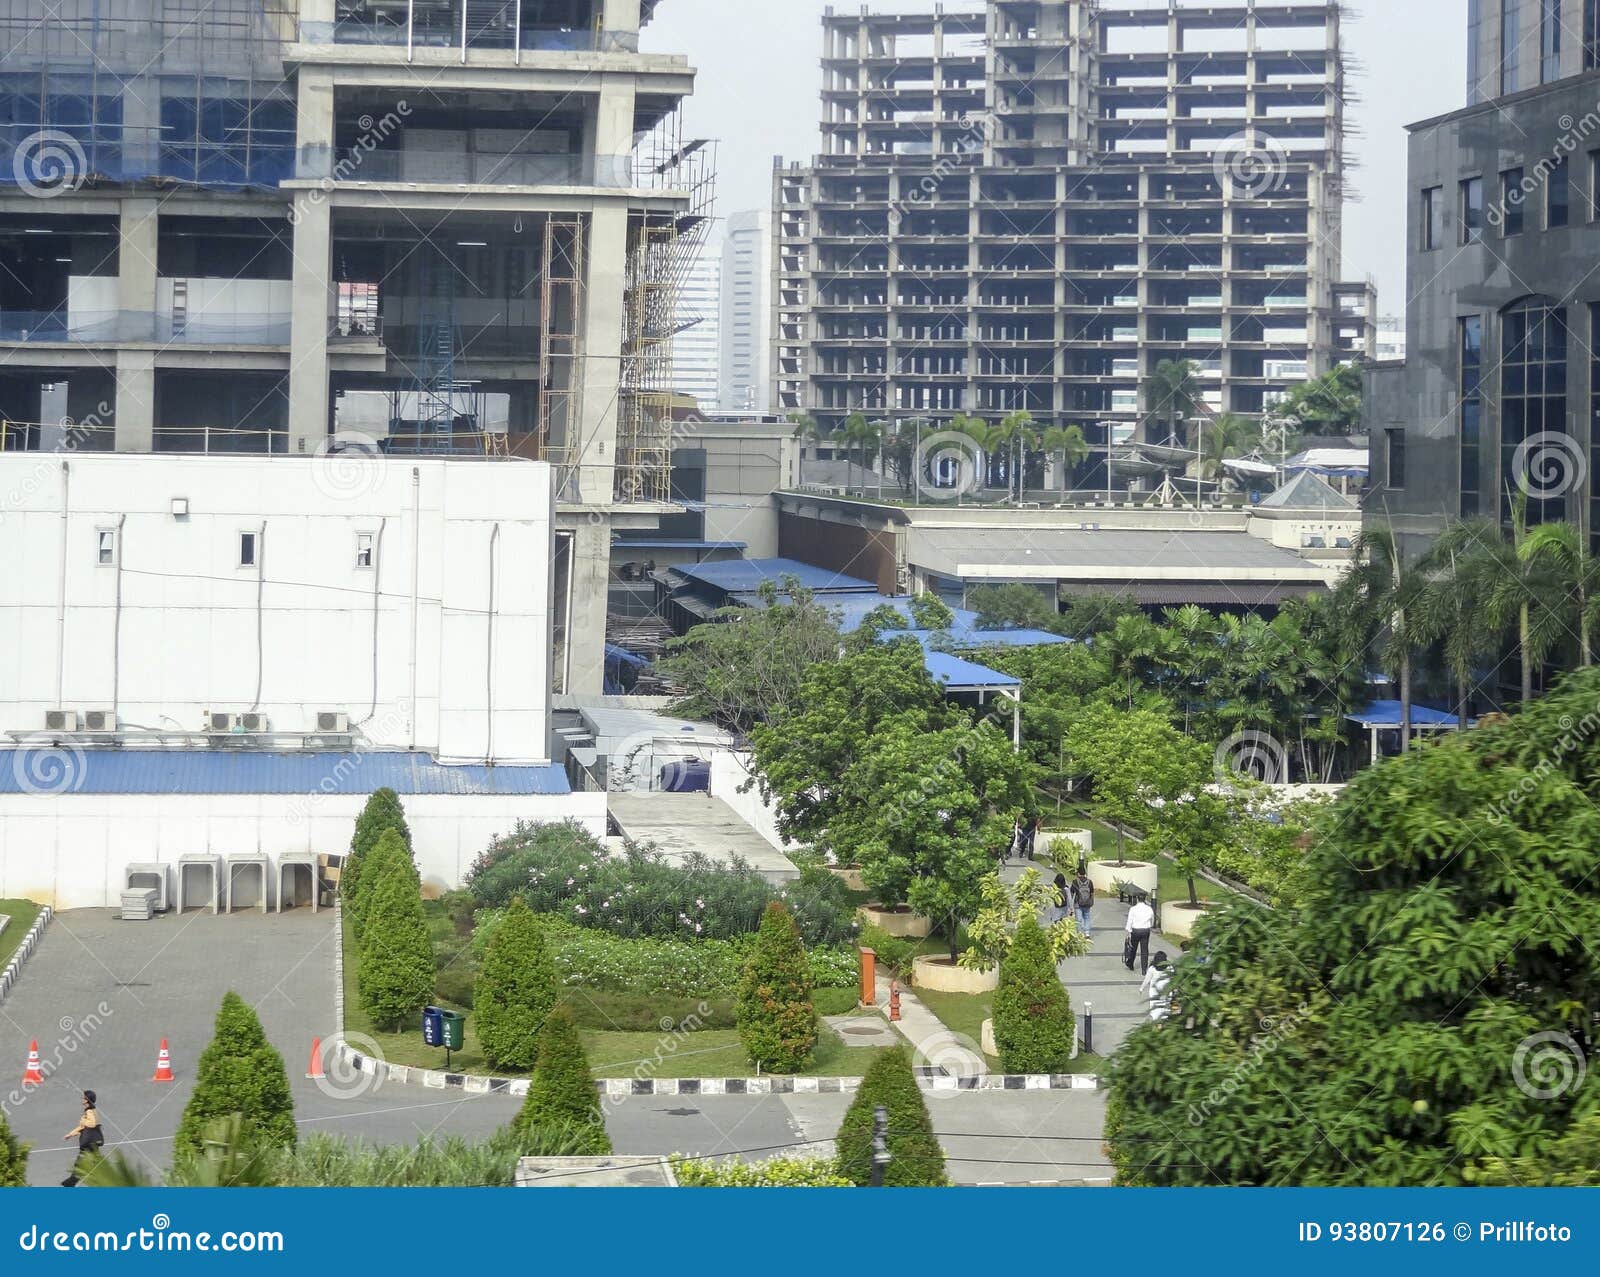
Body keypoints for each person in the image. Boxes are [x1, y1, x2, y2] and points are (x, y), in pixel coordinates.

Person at [60, 1090, 104, 1187]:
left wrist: (84, 1123)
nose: (82, 1099)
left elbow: (92, 1124)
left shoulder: (89, 1112)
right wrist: (70, 1134)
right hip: (92, 1143)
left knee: (82, 1164)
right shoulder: (91, 1110)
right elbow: (83, 1127)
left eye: (84, 1098)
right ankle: (71, 1182)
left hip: (89, 1144)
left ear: (87, 1100)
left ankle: (70, 1183)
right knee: (89, 1164)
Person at [1124, 893, 1155, 973]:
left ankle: (1130, 963)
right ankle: (1144, 969)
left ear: (1137, 899)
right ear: (1144, 899)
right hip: (1145, 930)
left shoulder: (1133, 909)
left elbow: (1130, 921)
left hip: (1136, 930)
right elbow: (1152, 919)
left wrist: (1128, 931)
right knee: (1144, 950)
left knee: (1133, 948)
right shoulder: (1149, 909)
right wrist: (1150, 926)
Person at [1141, 952, 1173, 1020]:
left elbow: (1147, 980)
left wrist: (1142, 988)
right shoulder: (1170, 967)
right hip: (1166, 990)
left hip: (1154, 991)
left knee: (1155, 1009)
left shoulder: (1152, 968)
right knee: (1165, 1007)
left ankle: (1157, 1022)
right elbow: (1173, 978)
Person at [1070, 869, 1094, 936]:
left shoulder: (1075, 881)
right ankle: (1087, 933)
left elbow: (1071, 892)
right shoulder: (1089, 882)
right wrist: (1091, 901)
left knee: (1078, 919)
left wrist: (1070, 904)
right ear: (1085, 873)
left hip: (1078, 904)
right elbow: (1092, 892)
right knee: (1087, 918)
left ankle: (1079, 934)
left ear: (1078, 873)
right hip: (1087, 904)